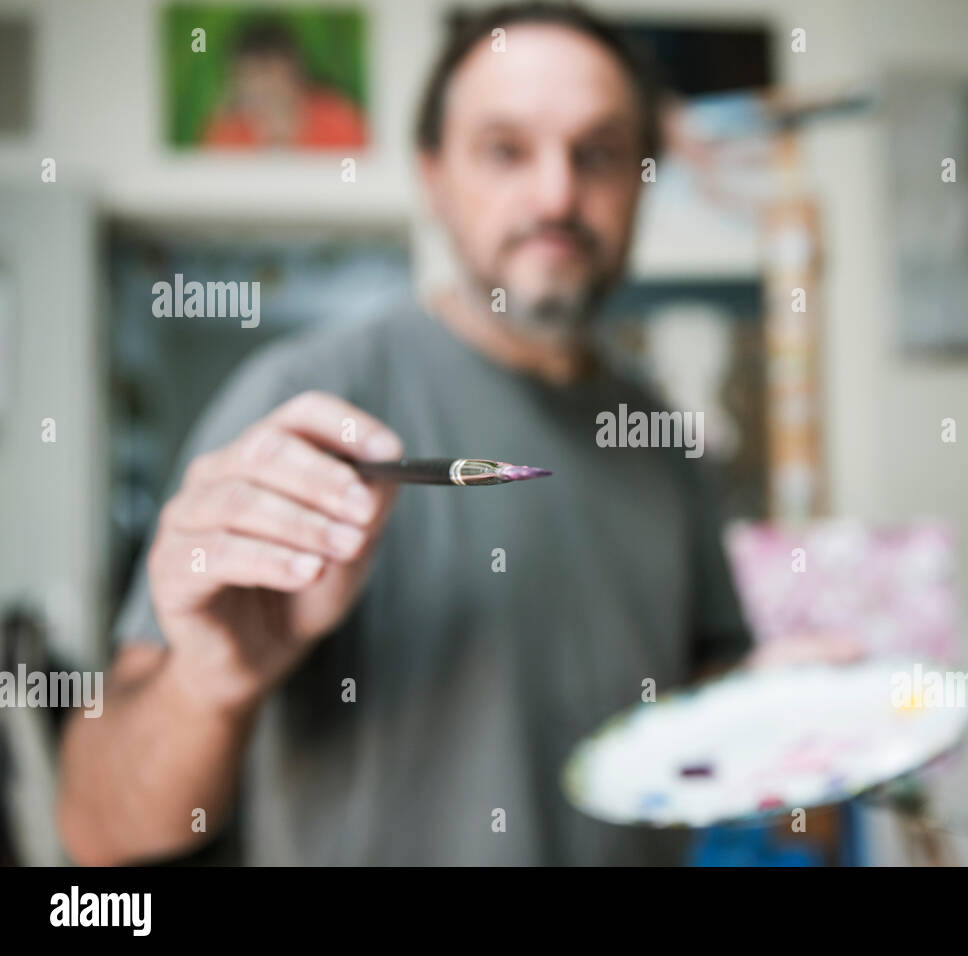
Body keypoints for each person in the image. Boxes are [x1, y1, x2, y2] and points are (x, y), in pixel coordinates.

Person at [59, 1, 853, 867]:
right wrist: (207, 688)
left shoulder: (661, 437)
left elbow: (696, 696)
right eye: (505, 150)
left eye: (598, 153)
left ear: (642, 179)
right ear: (433, 175)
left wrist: (776, 711)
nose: (555, 194)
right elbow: (95, 830)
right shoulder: (305, 401)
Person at [202, 19, 367, 150]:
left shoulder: (338, 121)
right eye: (245, 76)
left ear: (295, 72)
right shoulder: (228, 132)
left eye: (265, 72)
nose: (257, 87)